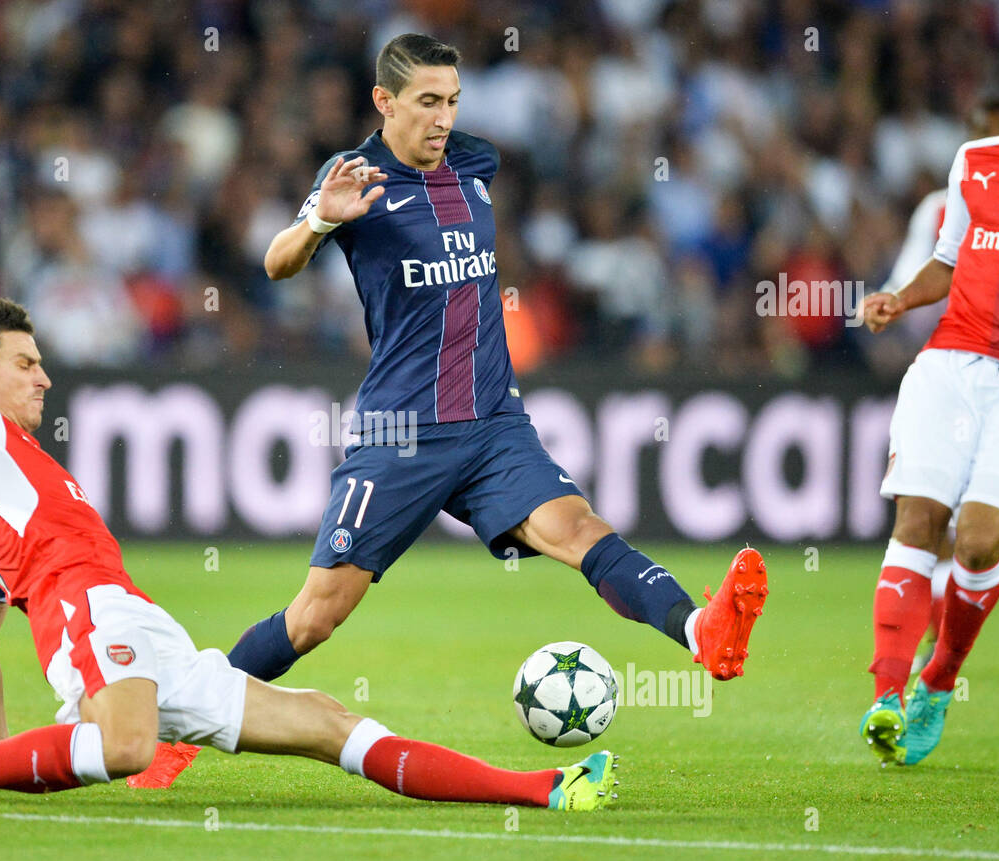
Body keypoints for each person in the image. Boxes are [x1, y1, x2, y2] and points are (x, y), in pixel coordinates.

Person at [0, 296, 619, 812]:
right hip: (92, 613)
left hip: (143, 629)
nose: (46, 377)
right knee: (128, 748)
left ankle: (540, 790)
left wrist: (0, 765)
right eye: (28, 363)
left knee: (327, 720)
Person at [226, 34, 767, 691]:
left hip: (491, 423)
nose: (444, 118)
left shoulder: (475, 163)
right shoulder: (354, 176)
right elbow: (277, 262)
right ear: (384, 102)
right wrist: (318, 224)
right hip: (404, 431)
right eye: (427, 102)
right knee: (315, 618)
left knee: (580, 528)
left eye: (452, 101)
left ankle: (700, 630)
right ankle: (187, 716)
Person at [857, 114, 999, 766]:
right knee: (917, 518)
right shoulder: (975, 160)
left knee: (979, 542)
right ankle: (887, 695)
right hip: (949, 362)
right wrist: (900, 297)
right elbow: (948, 260)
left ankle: (940, 677)